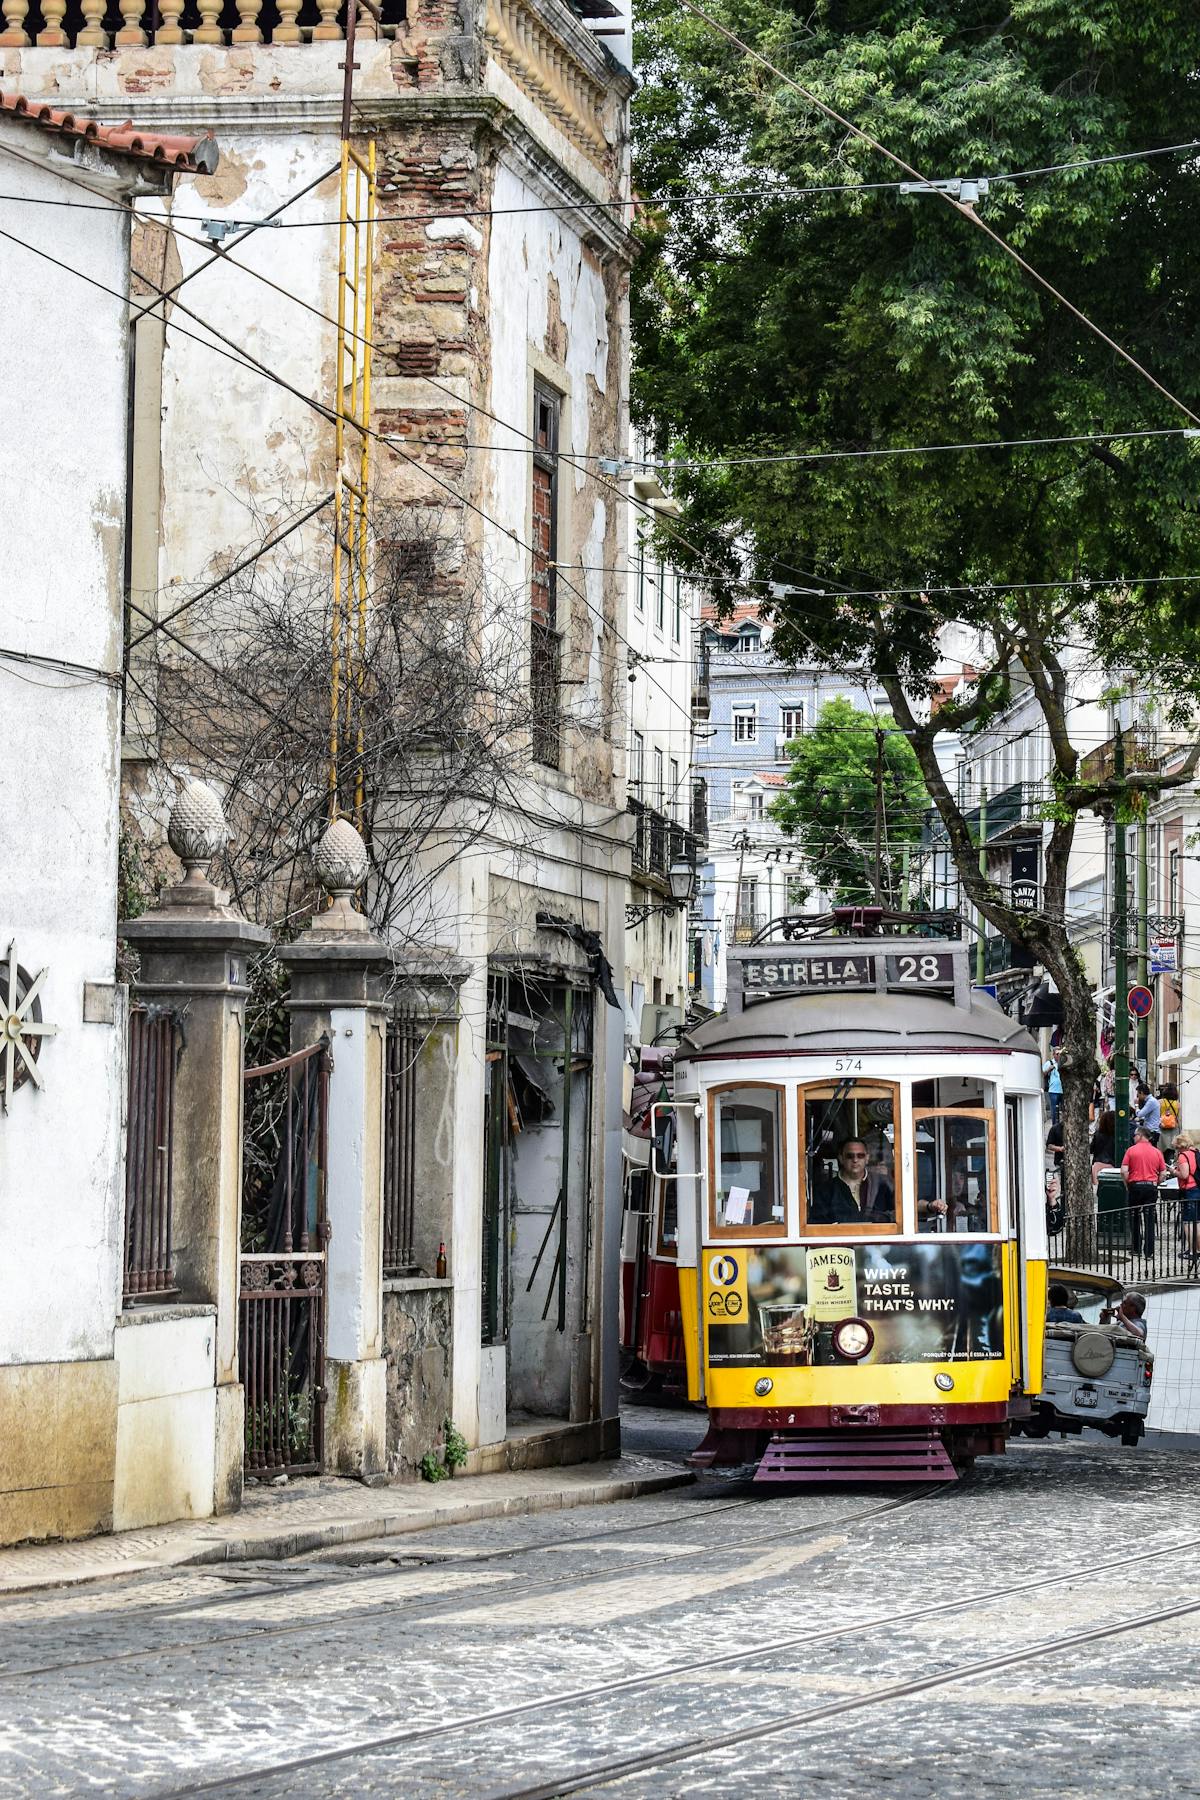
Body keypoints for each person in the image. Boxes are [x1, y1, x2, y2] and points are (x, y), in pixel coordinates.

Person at [812, 1137, 895, 1225]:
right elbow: (817, 1224)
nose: (855, 1160)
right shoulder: (825, 1190)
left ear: (867, 1158)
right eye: (850, 1156)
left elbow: (896, 1215)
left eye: (860, 1156)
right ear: (841, 1158)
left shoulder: (883, 1185)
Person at [1121, 1125, 1166, 1259]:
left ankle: (1136, 1248)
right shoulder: (1157, 1152)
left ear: (1140, 1136)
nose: (1133, 1138)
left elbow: (1124, 1170)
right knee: (1149, 1219)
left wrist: (1127, 1184)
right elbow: (1163, 1173)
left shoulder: (1131, 1150)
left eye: (1135, 1135)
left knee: (1134, 1217)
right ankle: (1149, 1252)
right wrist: (1156, 1182)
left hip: (1135, 1186)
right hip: (1150, 1187)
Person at [1174, 1130, 1200, 1276]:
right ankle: (1198, 1249)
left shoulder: (1183, 1156)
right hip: (1198, 1189)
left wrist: (1173, 1171)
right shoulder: (1195, 1152)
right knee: (1197, 1221)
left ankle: (1192, 1250)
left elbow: (1184, 1174)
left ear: (1180, 1145)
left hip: (1189, 1190)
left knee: (1188, 1222)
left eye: (1176, 1147)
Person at [1135, 1083, 1161, 1147]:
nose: (1138, 1096)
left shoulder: (1151, 1101)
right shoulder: (1150, 1101)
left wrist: (1136, 1105)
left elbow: (1140, 1114)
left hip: (1152, 1131)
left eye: (1138, 1094)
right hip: (1151, 1130)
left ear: (1141, 1092)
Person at [1044, 1054, 1063, 1127]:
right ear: (1053, 1054)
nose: (1059, 1055)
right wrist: (1049, 1069)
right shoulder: (1049, 1063)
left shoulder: (1063, 1062)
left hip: (1063, 1090)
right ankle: (1054, 1126)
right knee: (1054, 1109)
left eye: (1060, 1054)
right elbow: (1043, 1073)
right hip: (1053, 1090)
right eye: (1057, 1054)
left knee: (1064, 1109)